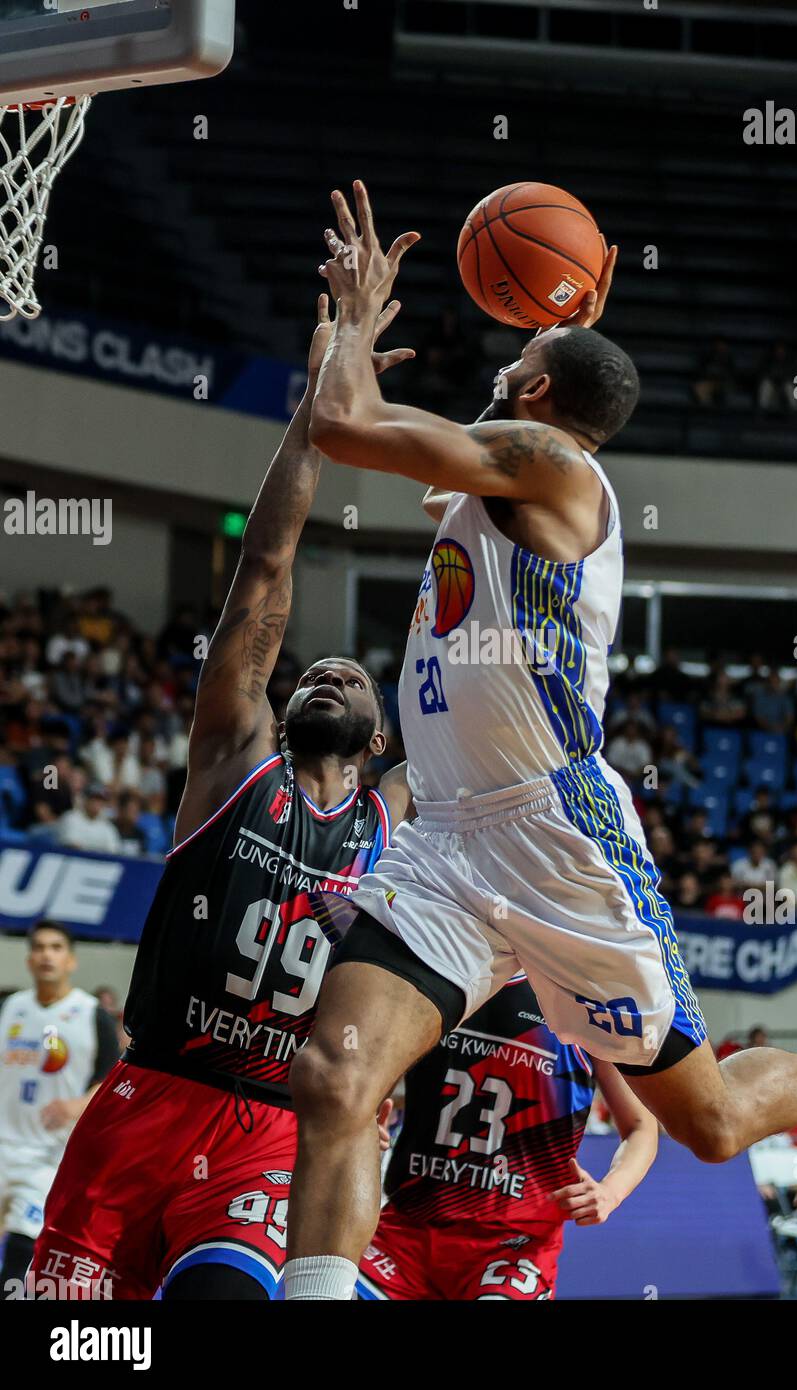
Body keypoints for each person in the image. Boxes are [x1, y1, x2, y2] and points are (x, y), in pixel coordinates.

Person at [284, 183, 797, 1302]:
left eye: (516, 366)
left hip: (556, 834)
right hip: (448, 843)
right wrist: (561, 318)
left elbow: (344, 424)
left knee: (709, 1123)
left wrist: (359, 317)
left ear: (536, 393)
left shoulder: (550, 465)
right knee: (333, 1075)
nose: (495, 371)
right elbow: (477, 417)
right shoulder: (499, 467)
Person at [32, 296, 417, 1303]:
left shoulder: (393, 817)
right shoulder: (232, 757)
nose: (325, 672)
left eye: (352, 676)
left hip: (271, 1125)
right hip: (144, 1098)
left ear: (379, 741)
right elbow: (267, 563)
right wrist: (320, 402)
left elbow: (477, 696)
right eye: (311, 671)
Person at [353, 972, 657, 1300]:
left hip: (515, 1244)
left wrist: (611, 1192)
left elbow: (641, 1125)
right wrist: (364, 1117)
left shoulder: (585, 1001)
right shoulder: (437, 971)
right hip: (405, 1234)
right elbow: (366, 1068)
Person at [0, 921, 119, 1291]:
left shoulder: (89, 1014)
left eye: (55, 948)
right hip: (3, 1144)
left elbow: (112, 1080)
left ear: (71, 960)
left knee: (19, 1258)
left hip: (48, 1156)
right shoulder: (11, 1007)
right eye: (39, 947)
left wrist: (79, 1103)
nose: (46, 955)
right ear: (29, 958)